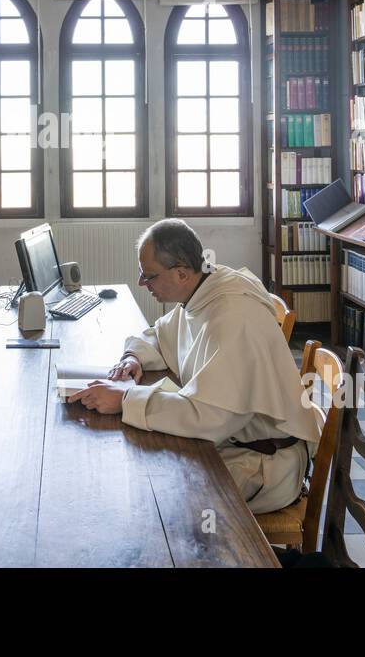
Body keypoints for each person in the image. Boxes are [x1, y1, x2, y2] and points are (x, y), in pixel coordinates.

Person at [68, 218, 319, 514]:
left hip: (262, 466)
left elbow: (207, 418)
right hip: (234, 445)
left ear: (182, 274)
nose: (141, 283)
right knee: (146, 474)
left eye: (148, 276)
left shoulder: (232, 316)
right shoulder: (204, 292)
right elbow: (160, 336)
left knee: (159, 500)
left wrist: (124, 400)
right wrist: (133, 357)